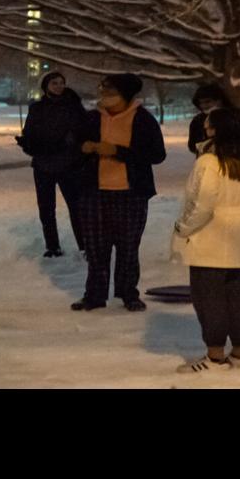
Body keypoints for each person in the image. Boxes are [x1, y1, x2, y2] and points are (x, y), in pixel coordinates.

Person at [171, 108, 240, 372]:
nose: (204, 126)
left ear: (216, 129)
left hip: (211, 233)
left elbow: (202, 203)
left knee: (208, 296)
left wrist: (183, 228)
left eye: (208, 123)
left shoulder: (209, 161)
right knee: (235, 293)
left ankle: (215, 356)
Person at [72, 74, 166, 312]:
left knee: (128, 246)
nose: (104, 94)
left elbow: (156, 154)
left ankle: (128, 293)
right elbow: (72, 145)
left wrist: (117, 151)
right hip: (94, 191)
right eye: (102, 89)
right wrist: (83, 148)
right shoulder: (92, 118)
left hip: (131, 193)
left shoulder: (143, 119)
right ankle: (94, 294)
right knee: (95, 248)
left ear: (124, 94)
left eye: (110, 90)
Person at [187, 83, 240, 257]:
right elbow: (193, 146)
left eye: (208, 101)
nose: (205, 106)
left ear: (220, 99)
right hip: (212, 175)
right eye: (201, 103)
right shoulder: (198, 121)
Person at [15, 71, 86, 256]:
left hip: (69, 164)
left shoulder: (73, 106)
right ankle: (52, 246)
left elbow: (83, 131)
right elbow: (30, 132)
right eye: (54, 83)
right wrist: (28, 143)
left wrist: (72, 143)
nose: (59, 86)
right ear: (46, 86)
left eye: (61, 82)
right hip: (43, 164)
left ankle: (84, 245)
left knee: (76, 206)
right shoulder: (37, 108)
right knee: (46, 208)